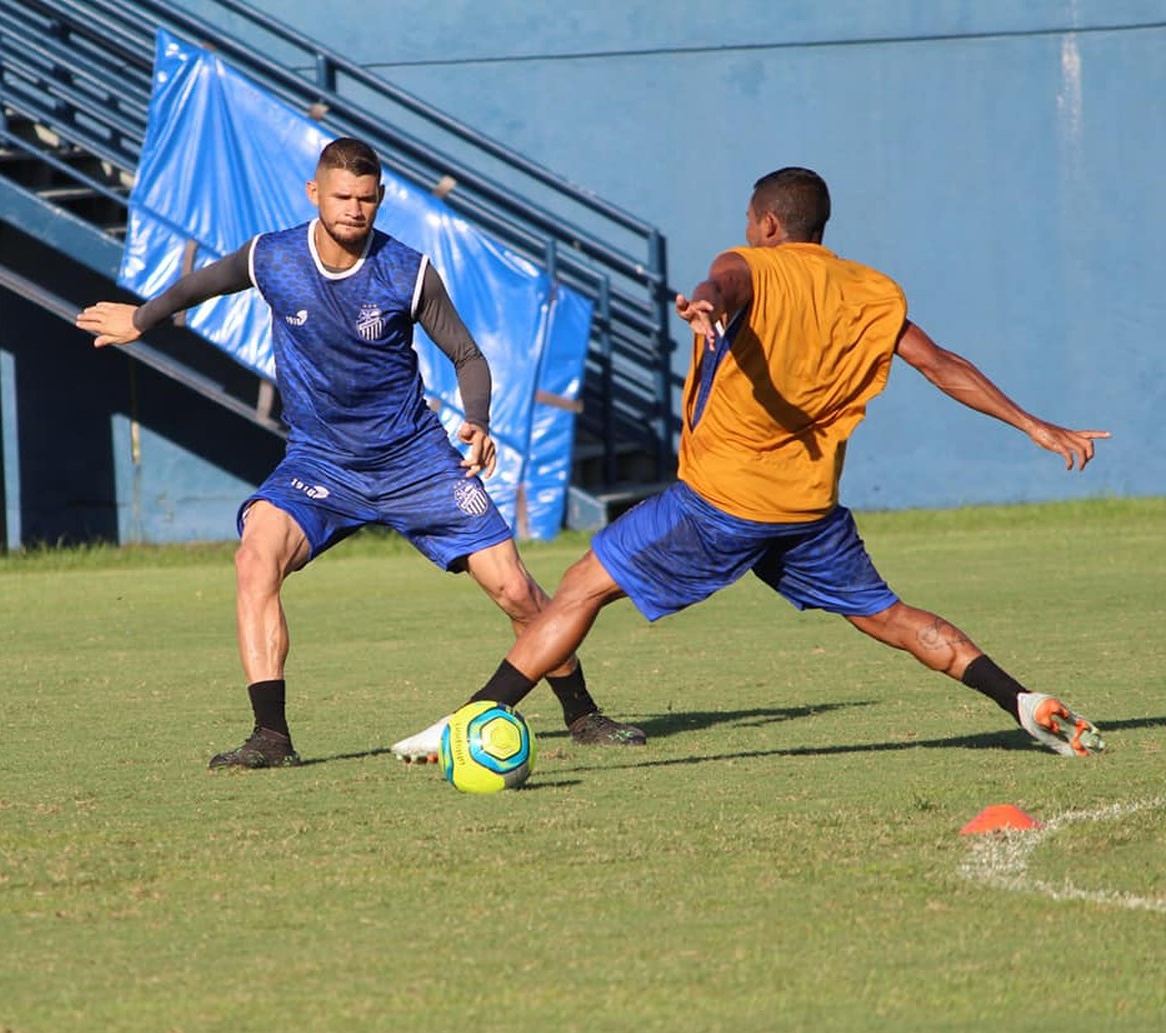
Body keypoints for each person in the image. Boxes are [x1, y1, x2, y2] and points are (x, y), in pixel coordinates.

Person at [429, 167, 1110, 758]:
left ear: (770, 223)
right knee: (889, 616)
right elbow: (940, 365)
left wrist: (707, 302)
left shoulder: (751, 263)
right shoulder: (870, 291)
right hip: (809, 512)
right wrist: (1034, 425)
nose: (747, 233)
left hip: (722, 503)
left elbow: (726, 279)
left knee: (581, 587)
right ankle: (1022, 702)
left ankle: (469, 722)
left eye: (751, 223)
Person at [76, 136, 644, 769]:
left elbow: (468, 356)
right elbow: (204, 284)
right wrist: (143, 319)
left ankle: (583, 712)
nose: (354, 209)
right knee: (255, 557)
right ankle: (271, 737)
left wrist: (478, 422)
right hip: (321, 463)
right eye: (342, 196)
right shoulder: (273, 256)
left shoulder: (407, 269)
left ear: (380, 200)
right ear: (314, 193)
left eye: (367, 199)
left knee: (514, 590)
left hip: (415, 460)